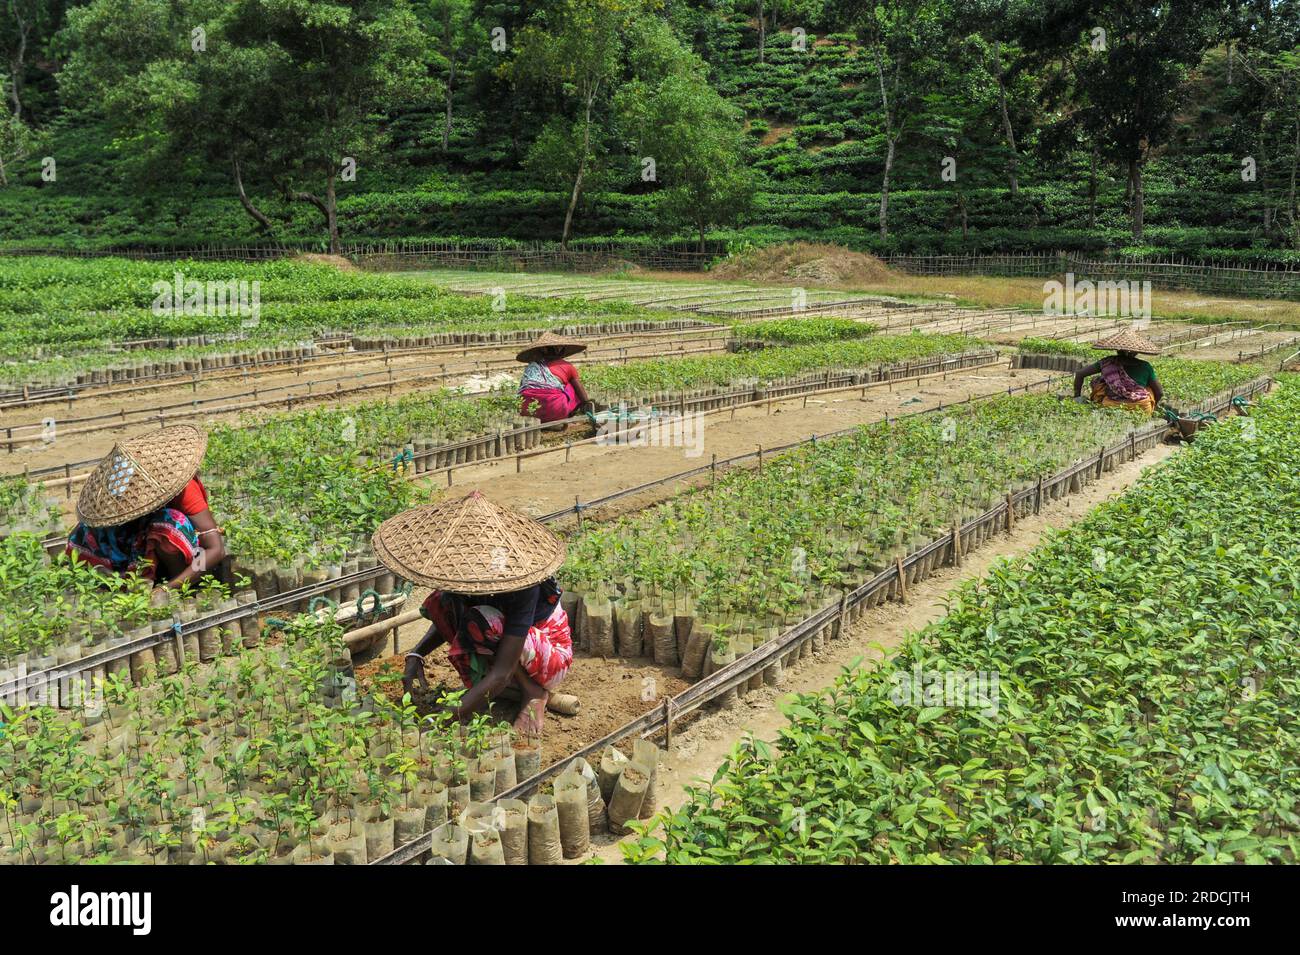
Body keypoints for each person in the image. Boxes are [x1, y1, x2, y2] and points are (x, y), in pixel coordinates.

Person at [373, 491, 573, 736]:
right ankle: (506, 689)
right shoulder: (465, 573)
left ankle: (532, 692)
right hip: (510, 650)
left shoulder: (522, 584)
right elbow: (446, 612)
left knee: (481, 620)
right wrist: (417, 652)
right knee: (441, 600)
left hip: (549, 658)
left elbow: (501, 672)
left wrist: (448, 717)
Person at [67, 425, 226, 588]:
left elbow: (216, 550)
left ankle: (185, 587)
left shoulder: (185, 490)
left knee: (169, 523)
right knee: (84, 531)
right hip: (144, 555)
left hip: (190, 559)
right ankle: (124, 580)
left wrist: (168, 588)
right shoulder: (124, 490)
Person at [1072, 329, 1164, 415]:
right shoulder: (1145, 366)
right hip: (1141, 407)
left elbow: (1080, 374)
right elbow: (1159, 392)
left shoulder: (1107, 362)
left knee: (1098, 383)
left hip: (1111, 406)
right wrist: (1154, 406)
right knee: (1149, 389)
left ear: (1117, 350)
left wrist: (1077, 397)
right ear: (1136, 352)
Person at [516, 331, 591, 424]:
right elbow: (582, 395)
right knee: (571, 387)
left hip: (528, 411)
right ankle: (566, 416)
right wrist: (587, 404)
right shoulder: (567, 366)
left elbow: (521, 390)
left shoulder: (531, 366)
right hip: (555, 412)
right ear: (560, 350)